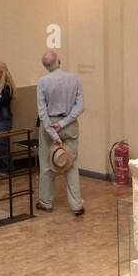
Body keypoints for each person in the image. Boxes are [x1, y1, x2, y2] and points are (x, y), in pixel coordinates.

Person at [35, 50, 85, 215]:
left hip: (50, 124)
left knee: (47, 164)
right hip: (70, 124)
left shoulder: (42, 82)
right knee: (71, 164)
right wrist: (64, 122)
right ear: (59, 61)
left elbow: (43, 113)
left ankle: (46, 202)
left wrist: (55, 134)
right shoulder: (74, 79)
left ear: (45, 66)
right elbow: (80, 106)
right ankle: (76, 205)